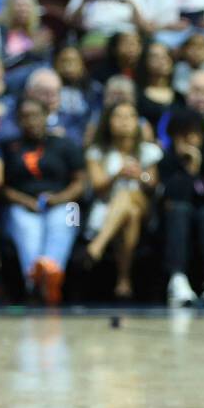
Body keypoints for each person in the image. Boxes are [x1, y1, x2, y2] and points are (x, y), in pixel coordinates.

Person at [1, 97, 86, 303]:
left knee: (64, 218)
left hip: (62, 203)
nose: (31, 121)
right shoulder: (9, 147)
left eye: (36, 116)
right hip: (21, 204)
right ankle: (38, 281)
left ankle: (48, 272)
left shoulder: (65, 144)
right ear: (19, 120)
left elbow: (81, 182)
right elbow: (1, 187)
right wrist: (25, 201)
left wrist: (59, 199)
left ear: (46, 116)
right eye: (25, 117)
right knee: (27, 228)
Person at [83, 100, 161, 299]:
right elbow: (98, 187)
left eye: (130, 117)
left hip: (144, 205)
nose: (124, 121)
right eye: (118, 116)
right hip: (107, 206)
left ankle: (97, 246)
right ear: (108, 122)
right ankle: (124, 279)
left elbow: (153, 186)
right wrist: (117, 175)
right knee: (129, 213)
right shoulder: (97, 152)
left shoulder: (148, 150)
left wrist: (139, 175)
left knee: (129, 198)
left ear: (138, 123)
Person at [156, 107, 204, 306]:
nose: (189, 139)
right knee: (180, 210)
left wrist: (198, 171)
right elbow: (169, 198)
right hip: (178, 218)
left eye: (193, 133)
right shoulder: (167, 160)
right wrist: (189, 172)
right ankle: (177, 279)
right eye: (182, 134)